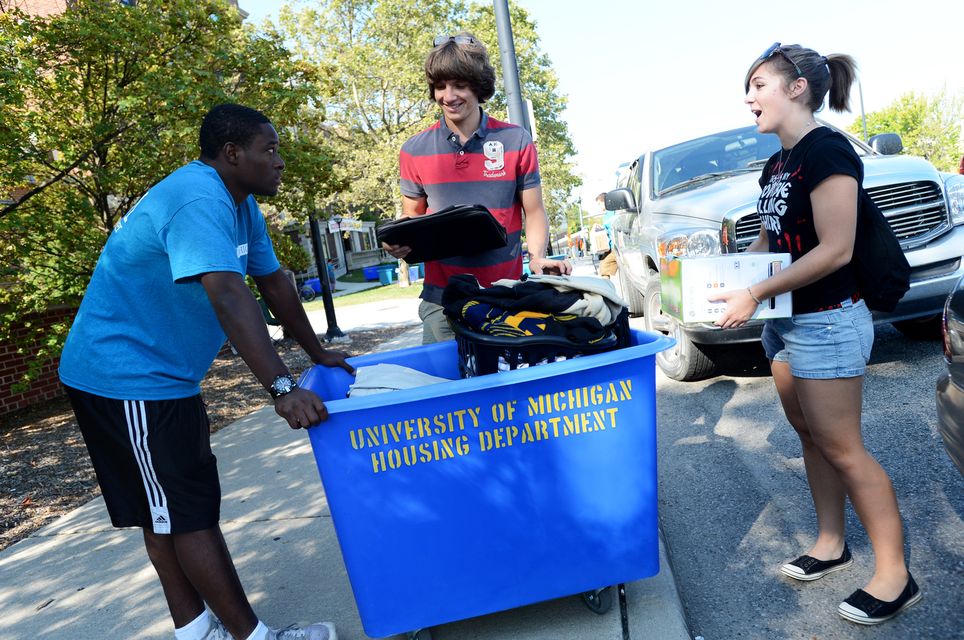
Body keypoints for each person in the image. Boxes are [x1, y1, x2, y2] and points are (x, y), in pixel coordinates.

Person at [58, 104, 351, 640]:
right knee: (185, 514)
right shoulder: (198, 199)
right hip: (125, 377)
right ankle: (253, 638)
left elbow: (274, 283)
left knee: (168, 511)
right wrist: (281, 387)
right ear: (232, 153)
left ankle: (195, 632)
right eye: (271, 149)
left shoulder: (240, 206)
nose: (280, 161)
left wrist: (316, 352)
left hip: (161, 377)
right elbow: (228, 293)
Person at [711, 43, 920, 625]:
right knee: (809, 435)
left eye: (758, 84)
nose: (748, 97)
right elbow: (770, 242)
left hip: (827, 320)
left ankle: (895, 575)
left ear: (797, 87)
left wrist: (753, 291)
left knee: (843, 448)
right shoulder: (777, 164)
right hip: (785, 322)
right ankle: (831, 543)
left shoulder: (825, 150)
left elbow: (837, 249)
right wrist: (728, 276)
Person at [382, 32, 571, 344]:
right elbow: (411, 219)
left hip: (505, 297)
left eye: (459, 85)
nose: (449, 95)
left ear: (478, 86)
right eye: (440, 86)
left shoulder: (516, 141)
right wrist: (397, 243)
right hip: (442, 301)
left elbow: (534, 211)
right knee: (451, 390)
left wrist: (536, 257)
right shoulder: (413, 150)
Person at [595, 192, 618, 279]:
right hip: (611, 247)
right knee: (603, 266)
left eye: (599, 204)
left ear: (605, 201)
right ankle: (606, 287)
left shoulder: (614, 212)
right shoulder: (606, 215)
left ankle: (606, 288)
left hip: (616, 247)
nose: (599, 206)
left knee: (604, 267)